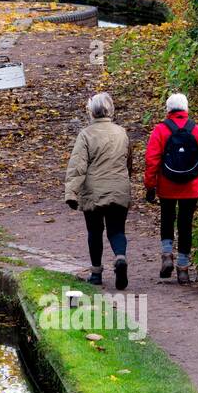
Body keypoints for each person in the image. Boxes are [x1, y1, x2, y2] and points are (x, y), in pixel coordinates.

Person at [64, 92, 132, 289]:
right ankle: (120, 257)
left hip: (93, 191)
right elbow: (128, 162)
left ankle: (96, 273)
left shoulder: (86, 134)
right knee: (117, 229)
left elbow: (78, 166)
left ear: (91, 112)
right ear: (110, 110)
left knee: (94, 231)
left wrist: (71, 193)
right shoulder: (122, 133)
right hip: (119, 188)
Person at [144, 92, 198, 284]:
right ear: (186, 109)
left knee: (167, 218)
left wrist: (150, 185)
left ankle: (167, 256)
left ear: (168, 110)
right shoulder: (196, 130)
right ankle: (183, 268)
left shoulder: (160, 130)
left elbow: (152, 160)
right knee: (185, 224)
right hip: (191, 186)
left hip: (167, 183)